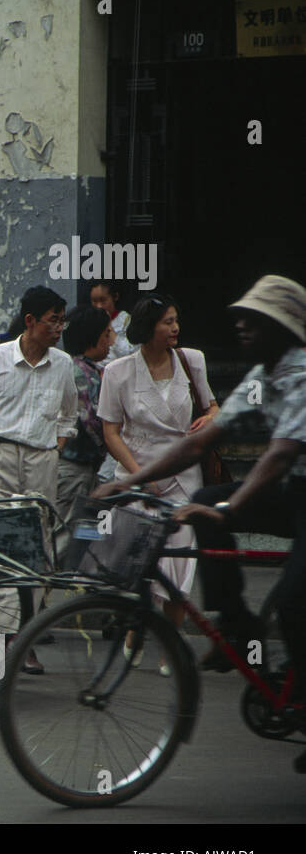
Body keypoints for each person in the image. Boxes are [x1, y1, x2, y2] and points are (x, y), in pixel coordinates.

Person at [96, 277, 306, 708]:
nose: (242, 328)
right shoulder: (262, 376)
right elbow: (198, 442)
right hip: (290, 491)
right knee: (204, 504)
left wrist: (233, 509)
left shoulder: (301, 372)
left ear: (283, 329)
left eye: (255, 322)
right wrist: (128, 481)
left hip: (296, 485)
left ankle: (300, 695)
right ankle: (236, 624)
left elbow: (283, 453)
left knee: (292, 602)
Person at [0, 285, 77, 672]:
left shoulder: (63, 364)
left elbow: (69, 414)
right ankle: (6, 640)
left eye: (62, 320)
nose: (59, 327)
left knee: (38, 550)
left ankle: (27, 635)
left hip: (41, 462)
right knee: (0, 546)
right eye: (52, 320)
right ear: (30, 321)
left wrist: (54, 447)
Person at [97, 294, 218, 673]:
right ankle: (135, 632)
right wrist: (137, 474)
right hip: (139, 475)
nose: (175, 328)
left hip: (183, 475)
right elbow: (111, 431)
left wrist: (211, 419)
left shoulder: (191, 361)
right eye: (167, 322)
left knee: (179, 567)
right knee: (142, 564)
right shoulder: (118, 372)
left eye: (176, 320)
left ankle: (170, 645)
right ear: (149, 329)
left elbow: (212, 406)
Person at [55, 305, 114, 525]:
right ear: (93, 338)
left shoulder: (77, 368)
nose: (111, 341)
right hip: (75, 470)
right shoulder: (83, 375)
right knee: (67, 538)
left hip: (78, 469)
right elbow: (94, 422)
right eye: (107, 334)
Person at [90, 281, 133, 364]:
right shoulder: (89, 320)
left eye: (103, 300)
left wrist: (108, 325)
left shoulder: (126, 320)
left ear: (115, 297)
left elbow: (129, 353)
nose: (99, 306)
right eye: (94, 301)